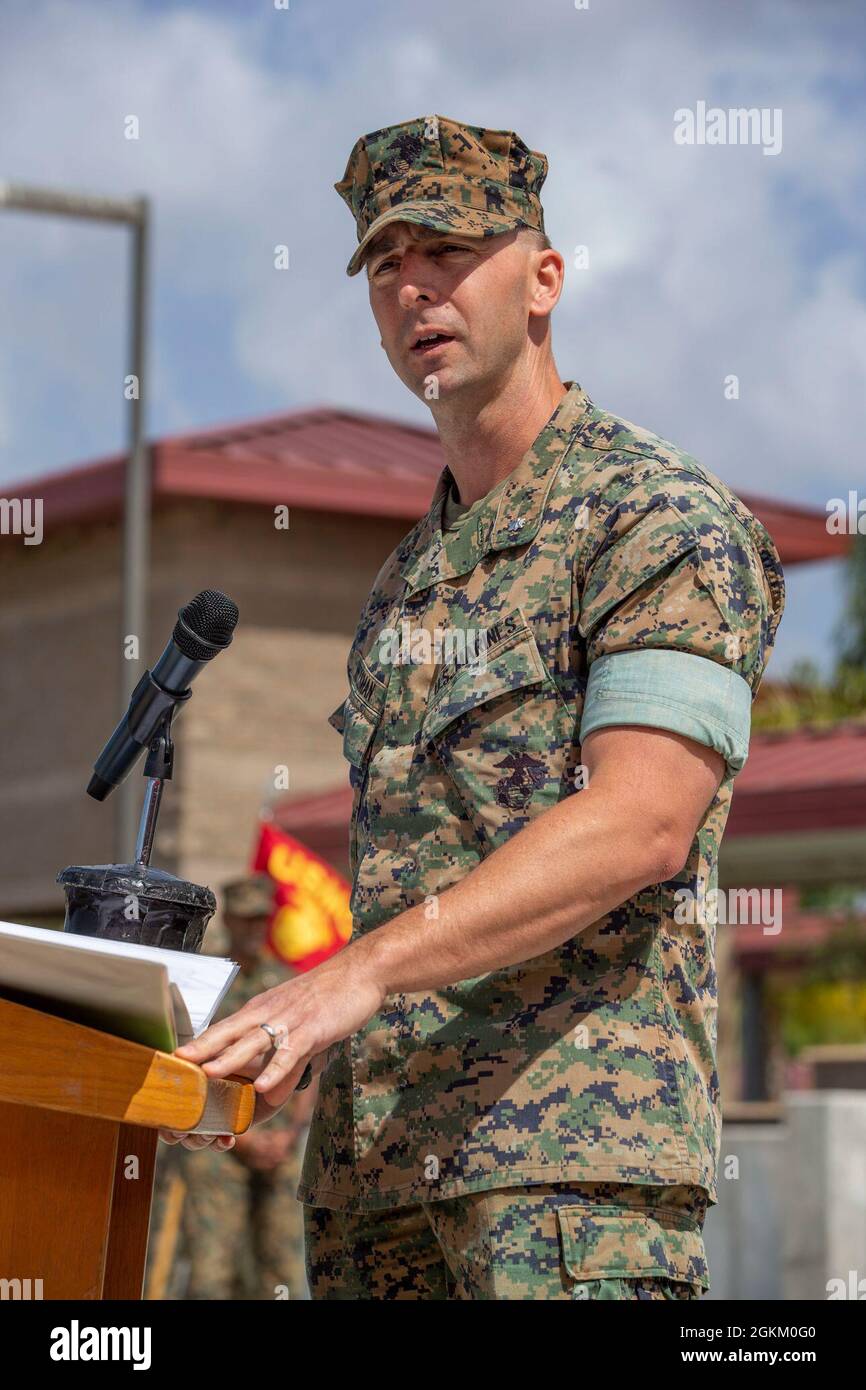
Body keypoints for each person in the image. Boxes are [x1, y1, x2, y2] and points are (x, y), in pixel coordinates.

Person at [165, 115, 785, 1300]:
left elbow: (640, 822)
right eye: (385, 259)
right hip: (377, 1180)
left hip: (564, 1180)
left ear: (543, 277)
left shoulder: (653, 521)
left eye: (447, 248)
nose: (413, 284)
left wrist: (353, 975)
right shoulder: (411, 577)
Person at [159, 875, 315, 1300]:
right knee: (213, 1269)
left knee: (281, 1270)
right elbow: (189, 1059)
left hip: (280, 1143)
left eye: (260, 919)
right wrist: (243, 1140)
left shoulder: (288, 984)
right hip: (217, 1140)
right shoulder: (207, 983)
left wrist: (288, 1135)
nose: (253, 929)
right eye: (245, 919)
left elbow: (307, 1069)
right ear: (228, 919)